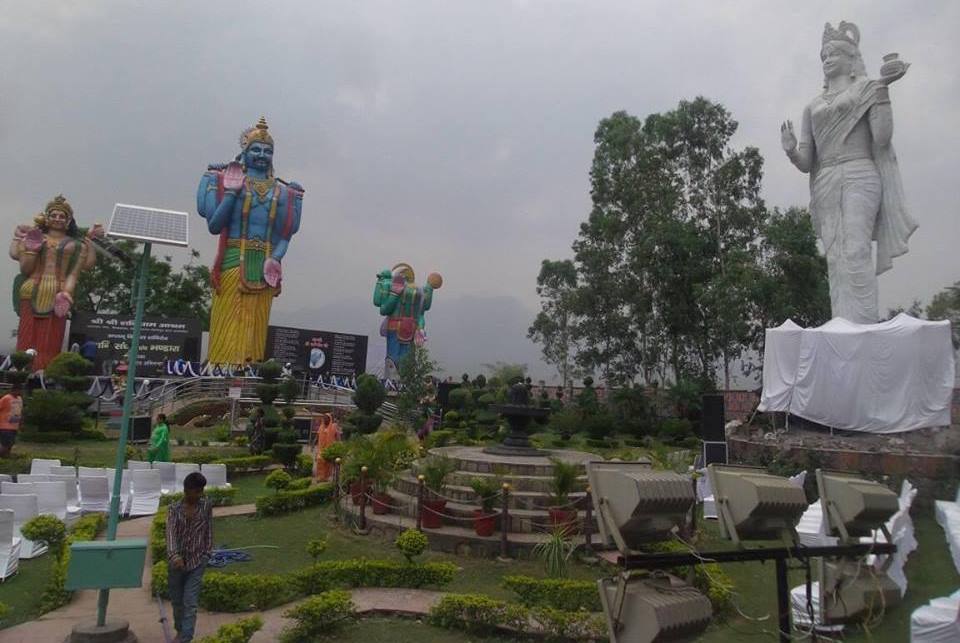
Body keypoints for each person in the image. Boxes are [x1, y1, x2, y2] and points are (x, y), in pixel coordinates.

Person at [781, 21, 915, 324]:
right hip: (826, 179)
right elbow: (806, 163)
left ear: (851, 57)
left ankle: (863, 324)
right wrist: (790, 150)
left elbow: (881, 138)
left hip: (860, 172)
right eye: (823, 56)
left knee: (855, 249)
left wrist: (882, 91)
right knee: (835, 257)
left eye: (834, 54)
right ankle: (842, 322)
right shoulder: (812, 106)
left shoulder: (868, 89)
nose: (827, 60)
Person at [197, 117, 304, 365]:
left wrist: (276, 257)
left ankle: (251, 370)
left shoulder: (280, 191)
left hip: (265, 265)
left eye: (268, 151)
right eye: (256, 149)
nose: (262, 155)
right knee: (228, 321)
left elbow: (287, 232)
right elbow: (214, 225)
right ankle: (221, 371)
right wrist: (232, 192)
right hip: (234, 260)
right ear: (244, 153)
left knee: (257, 325)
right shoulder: (227, 181)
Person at [8, 195, 104, 369]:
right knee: (27, 332)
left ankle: (45, 369)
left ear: (68, 221)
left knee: (52, 336)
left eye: (62, 216)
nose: (57, 219)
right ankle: (22, 369)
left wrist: (67, 292)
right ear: (46, 217)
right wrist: (22, 240)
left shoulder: (74, 245)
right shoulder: (35, 237)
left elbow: (80, 270)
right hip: (32, 287)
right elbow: (19, 259)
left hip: (58, 291)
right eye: (53, 215)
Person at [166, 471, 212, 643]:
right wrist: (174, 555)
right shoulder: (173, 510)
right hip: (176, 564)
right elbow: (170, 534)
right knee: (177, 602)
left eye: (202, 490)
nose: (200, 494)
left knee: (190, 603)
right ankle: (180, 630)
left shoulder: (206, 505)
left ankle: (186, 638)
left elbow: (208, 530)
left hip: (197, 562)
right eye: (197, 491)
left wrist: (207, 553)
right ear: (187, 490)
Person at [0, 385, 23, 458]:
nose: (19, 392)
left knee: (10, 444)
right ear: (12, 390)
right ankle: (4, 456)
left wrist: (21, 423)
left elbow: (20, 411)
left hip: (14, 426)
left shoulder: (19, 399)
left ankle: (6, 457)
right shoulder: (6, 398)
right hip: (5, 425)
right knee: (6, 444)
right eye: (17, 390)